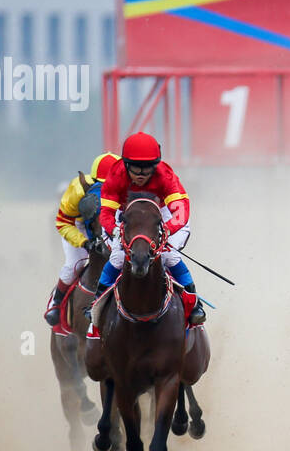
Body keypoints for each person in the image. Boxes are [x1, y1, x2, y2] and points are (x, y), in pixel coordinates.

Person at [86, 132, 205, 327]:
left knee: (169, 257)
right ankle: (96, 303)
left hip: (164, 214)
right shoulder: (116, 175)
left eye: (147, 169)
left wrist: (167, 229)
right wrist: (113, 229)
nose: (141, 174)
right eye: (135, 168)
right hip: (129, 214)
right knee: (117, 258)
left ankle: (195, 305)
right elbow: (106, 212)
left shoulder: (165, 175)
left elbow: (181, 211)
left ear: (155, 165)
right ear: (125, 164)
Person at [44, 151, 120, 326]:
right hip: (79, 224)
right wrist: (84, 242)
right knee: (75, 263)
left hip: (113, 223)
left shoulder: (128, 188)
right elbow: (63, 222)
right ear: (92, 183)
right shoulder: (77, 190)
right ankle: (55, 304)